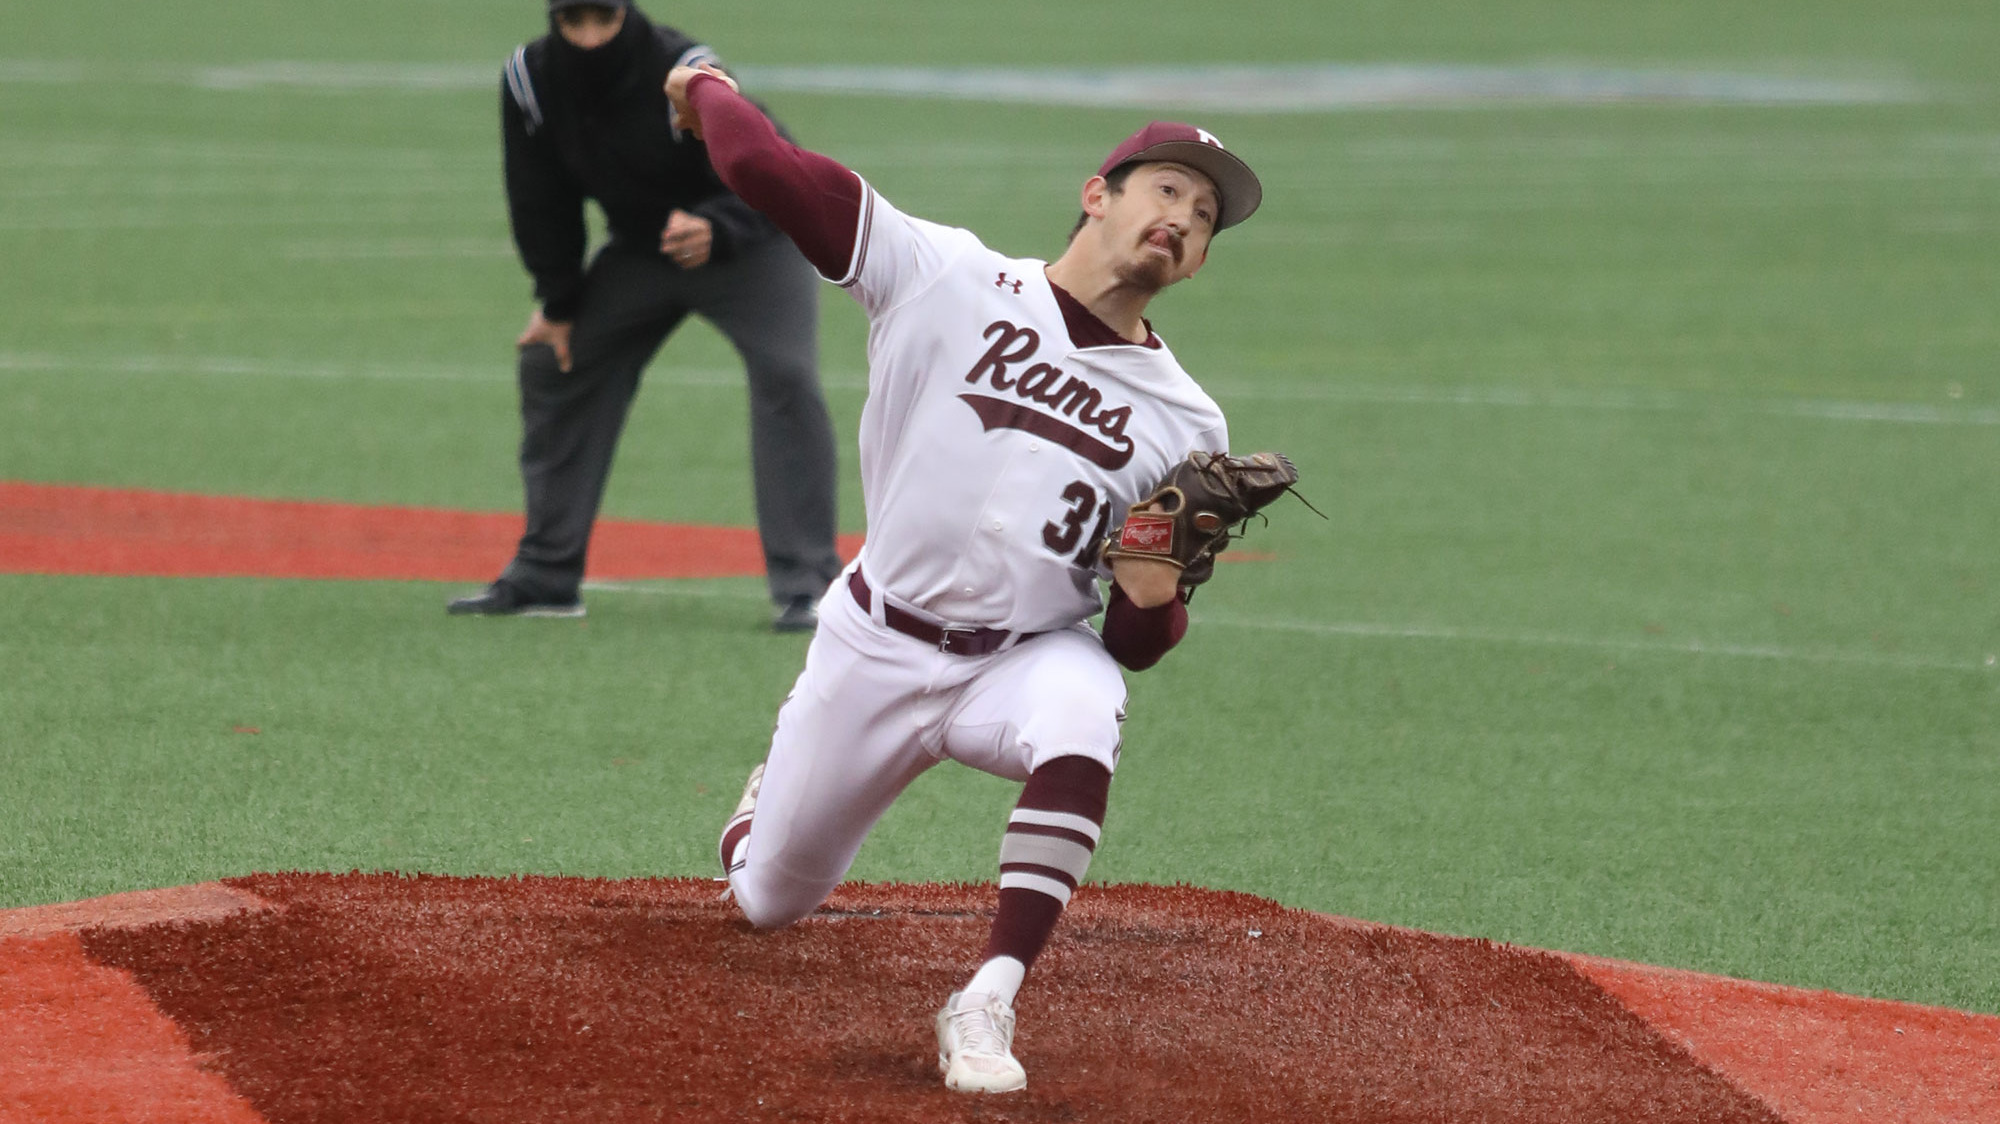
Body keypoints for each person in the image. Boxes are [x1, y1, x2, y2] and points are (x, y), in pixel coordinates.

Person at [669, 63, 1264, 1094]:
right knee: (767, 896)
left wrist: (1152, 593)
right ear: (1097, 193)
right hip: (873, 644)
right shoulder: (942, 274)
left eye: (1203, 214)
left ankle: (986, 995)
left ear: (1201, 258)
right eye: (1164, 189)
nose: (1180, 217)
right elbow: (766, 167)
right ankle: (760, 812)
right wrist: (704, 88)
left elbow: (1132, 640)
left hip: (1021, 660)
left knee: (1091, 701)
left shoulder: (1186, 422)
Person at [448, 0, 842, 631]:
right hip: (645, 249)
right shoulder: (529, 77)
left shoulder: (686, 72)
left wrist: (719, 224)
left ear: (626, 13)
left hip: (750, 242)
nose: (589, 38)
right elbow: (538, 193)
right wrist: (558, 303)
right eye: (573, 23)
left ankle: (810, 584)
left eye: (602, 20)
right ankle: (547, 574)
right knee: (553, 361)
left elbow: (775, 162)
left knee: (785, 375)